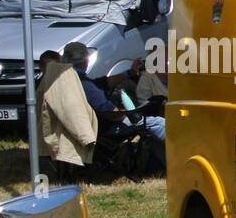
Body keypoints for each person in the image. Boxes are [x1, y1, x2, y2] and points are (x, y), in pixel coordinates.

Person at [63, 41, 166, 171]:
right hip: (108, 126)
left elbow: (104, 83)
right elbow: (109, 113)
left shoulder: (70, 80)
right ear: (85, 61)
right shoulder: (86, 86)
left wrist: (129, 73)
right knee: (158, 123)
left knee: (151, 129)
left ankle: (159, 166)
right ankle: (180, 159)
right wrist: (129, 112)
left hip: (92, 126)